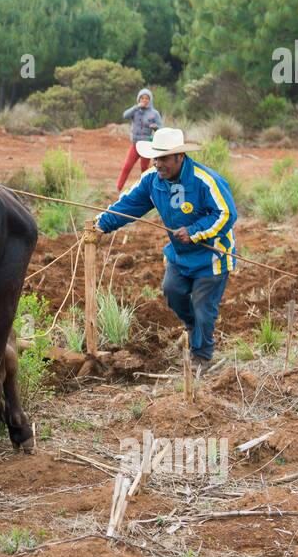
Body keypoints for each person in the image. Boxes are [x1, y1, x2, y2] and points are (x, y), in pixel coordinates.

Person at [96, 127, 237, 373]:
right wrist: (101, 225)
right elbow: (128, 205)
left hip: (210, 257)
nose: (157, 163)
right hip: (179, 255)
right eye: (155, 157)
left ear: (179, 157)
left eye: (162, 158)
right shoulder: (152, 180)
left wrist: (194, 231)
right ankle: (194, 330)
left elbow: (226, 214)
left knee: (204, 307)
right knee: (172, 291)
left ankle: (202, 356)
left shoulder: (205, 181)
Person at [117, 88, 163, 192]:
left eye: (147, 98)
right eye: (142, 98)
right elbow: (125, 115)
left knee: (144, 168)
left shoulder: (154, 113)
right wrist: (136, 107)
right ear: (139, 99)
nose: (144, 100)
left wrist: (155, 127)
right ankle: (118, 188)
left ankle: (146, 190)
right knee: (127, 166)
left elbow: (161, 129)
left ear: (150, 100)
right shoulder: (135, 111)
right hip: (135, 144)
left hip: (146, 145)